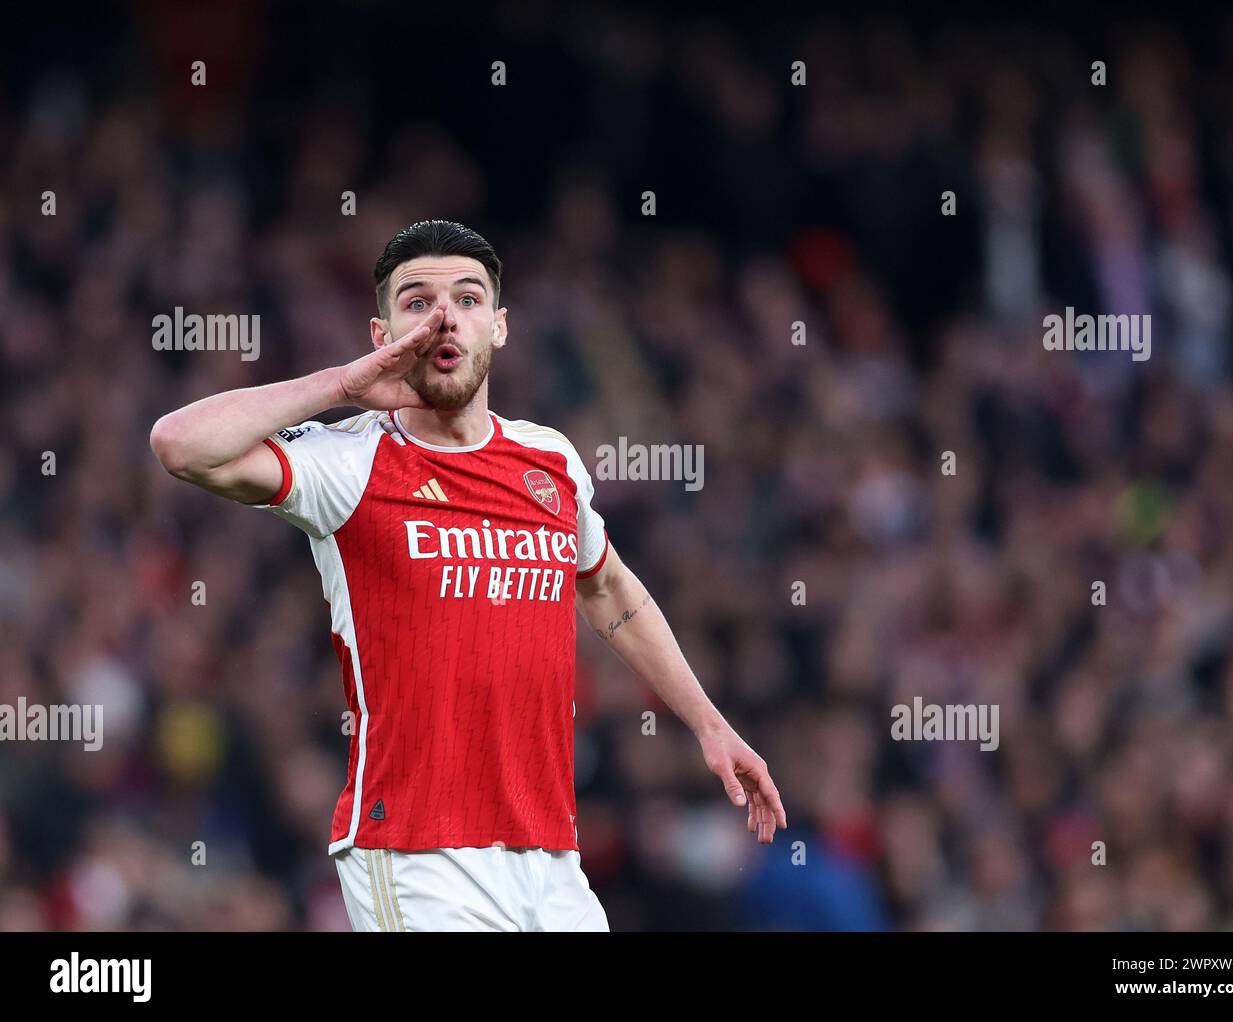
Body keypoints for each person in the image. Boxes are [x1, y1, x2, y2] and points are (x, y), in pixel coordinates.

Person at [149, 219, 787, 931]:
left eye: (468, 297)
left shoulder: (549, 461)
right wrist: (338, 385)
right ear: (380, 332)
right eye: (417, 302)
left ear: (500, 326)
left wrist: (709, 725)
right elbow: (181, 445)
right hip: (419, 855)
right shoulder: (349, 462)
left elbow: (608, 589)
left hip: (549, 859)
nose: (444, 315)